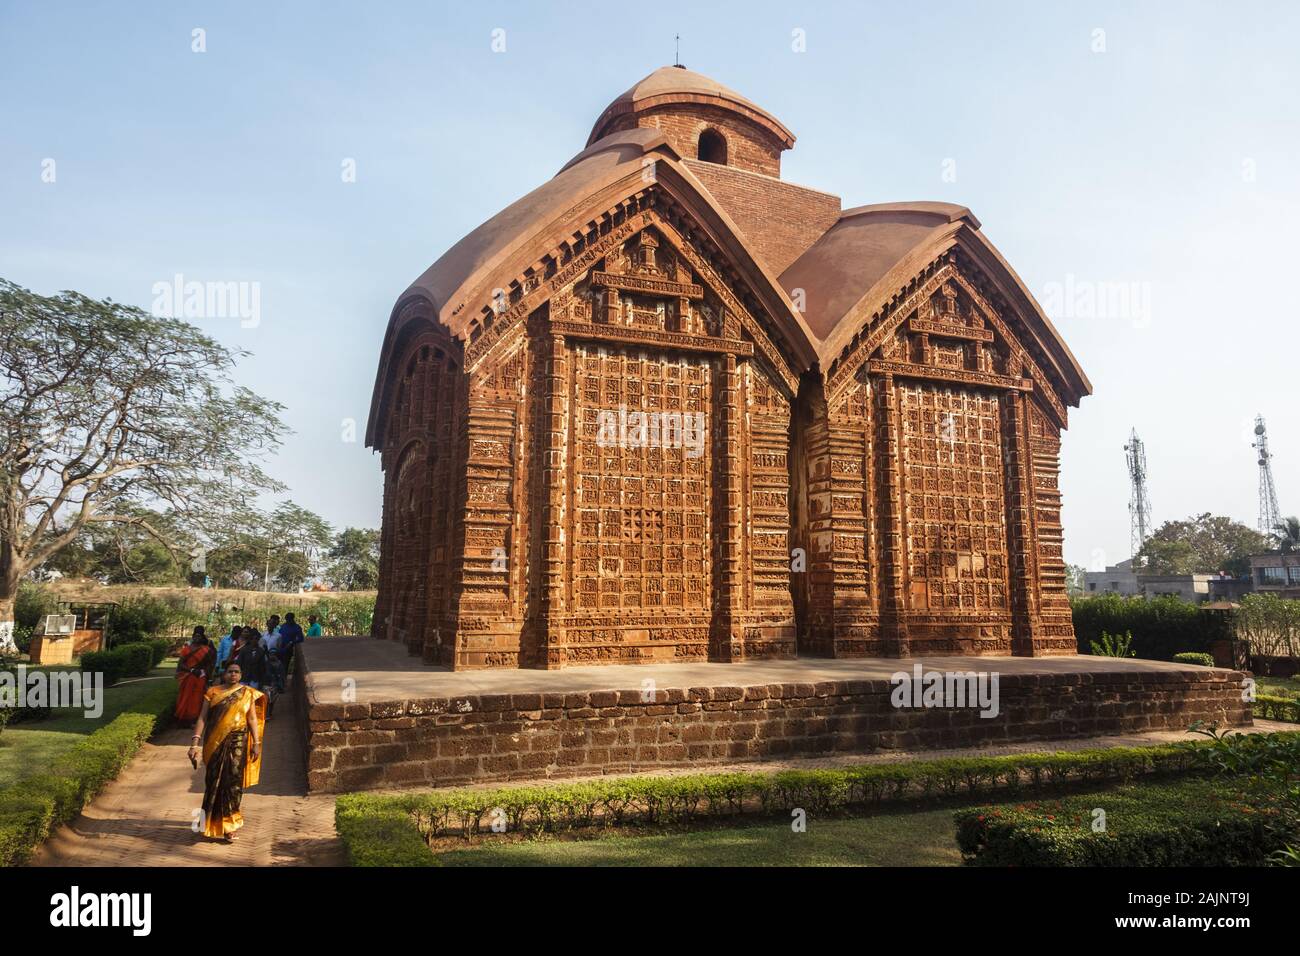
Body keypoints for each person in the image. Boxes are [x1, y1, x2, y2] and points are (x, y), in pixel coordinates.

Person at [187, 662, 266, 843]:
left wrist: (257, 742)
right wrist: (195, 742)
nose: (233, 674)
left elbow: (252, 718)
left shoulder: (247, 693)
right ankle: (208, 823)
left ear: (241, 674)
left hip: (239, 741)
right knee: (213, 782)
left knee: (233, 783)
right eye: (230, 671)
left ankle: (230, 826)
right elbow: (202, 718)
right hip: (214, 743)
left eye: (236, 672)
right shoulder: (212, 692)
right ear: (224, 674)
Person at [174, 627, 215, 724]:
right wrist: (192, 670)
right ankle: (183, 718)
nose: (197, 638)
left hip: (200, 677)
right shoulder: (186, 650)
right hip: (187, 676)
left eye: (199, 636)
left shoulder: (207, 650)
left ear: (202, 637)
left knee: (197, 697)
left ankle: (194, 718)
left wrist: (205, 674)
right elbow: (181, 664)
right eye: (195, 636)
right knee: (185, 697)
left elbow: (210, 664)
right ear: (192, 637)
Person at [278, 612, 305, 685]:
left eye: (290, 619)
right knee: (279, 665)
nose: (288, 620)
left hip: (289, 649)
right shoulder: (283, 626)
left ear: (292, 619)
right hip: (280, 648)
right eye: (287, 619)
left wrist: (291, 642)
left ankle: (283, 682)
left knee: (285, 665)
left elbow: (301, 638)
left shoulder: (297, 627)